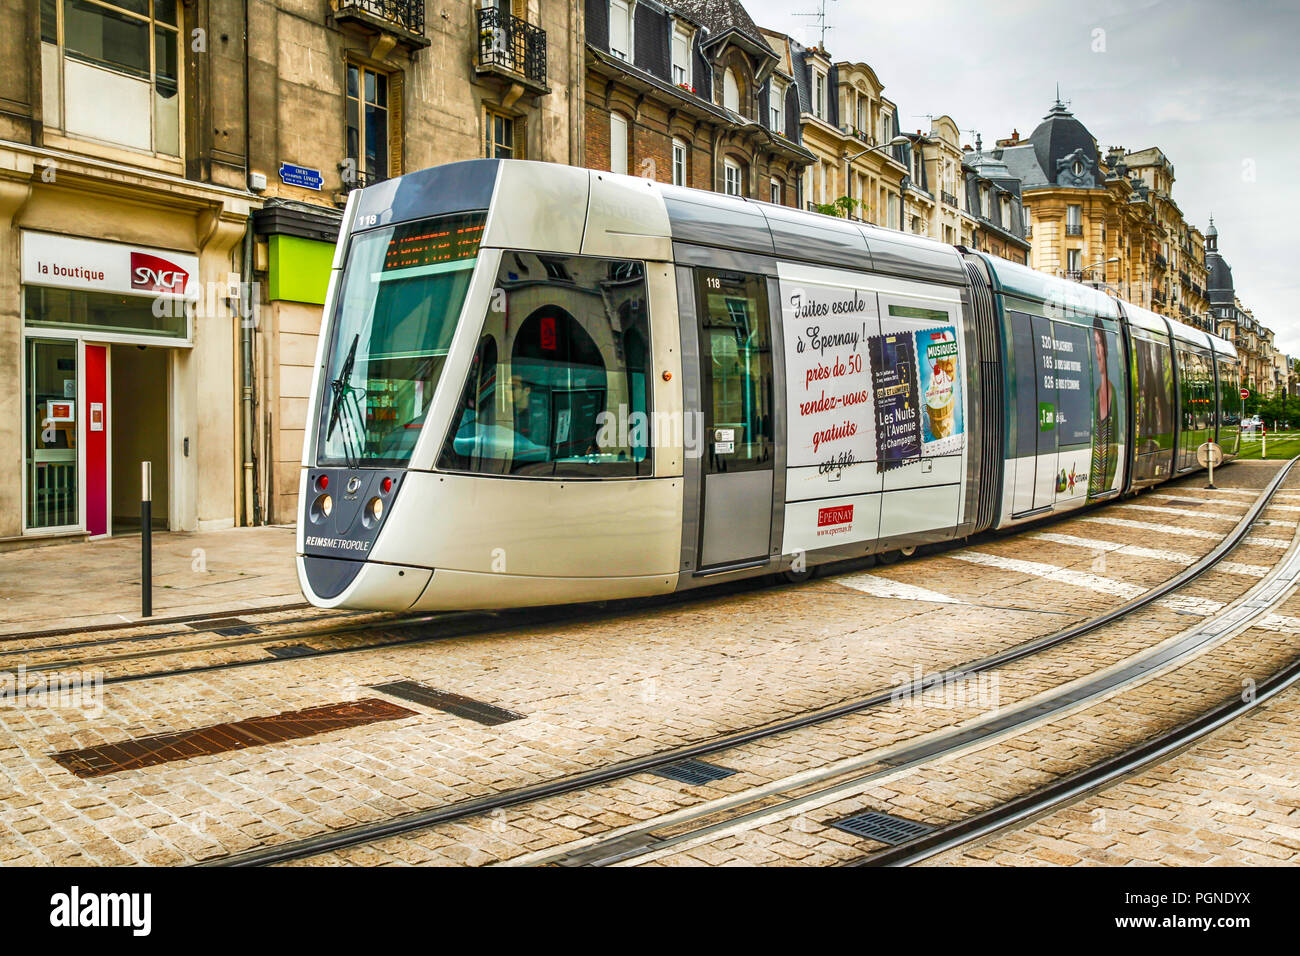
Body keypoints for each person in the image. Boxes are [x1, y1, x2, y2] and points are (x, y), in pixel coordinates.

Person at [1089, 321, 1119, 495]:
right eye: (1094, 344)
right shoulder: (1093, 396)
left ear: (1106, 348)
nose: (1098, 351)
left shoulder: (1115, 395)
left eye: (1100, 343)